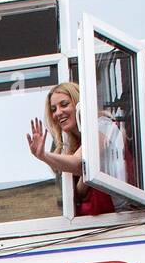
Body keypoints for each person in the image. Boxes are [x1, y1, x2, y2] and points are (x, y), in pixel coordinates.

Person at [25, 81, 130, 216]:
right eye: (53, 109)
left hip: (123, 217)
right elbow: (79, 192)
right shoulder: (70, 146)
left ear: (78, 105)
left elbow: (78, 162)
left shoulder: (102, 125)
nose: (58, 113)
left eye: (64, 105)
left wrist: (43, 155)